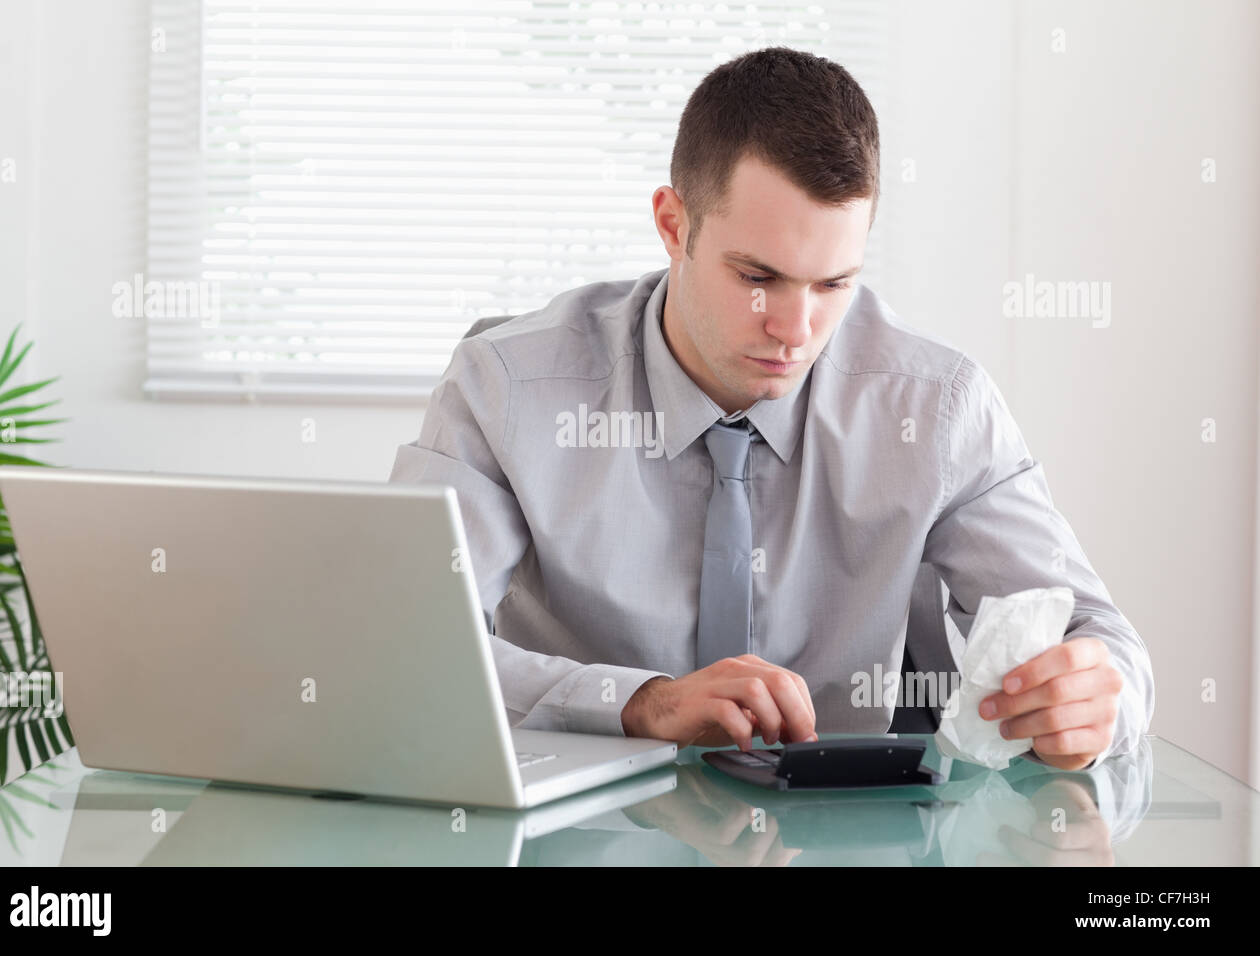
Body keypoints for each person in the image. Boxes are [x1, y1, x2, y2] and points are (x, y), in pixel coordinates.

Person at [390, 46, 1154, 772]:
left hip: (837, 838)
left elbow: (1106, 643)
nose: (796, 332)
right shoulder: (510, 388)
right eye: (758, 276)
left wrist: (1095, 704)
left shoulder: (937, 408)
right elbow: (405, 640)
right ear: (672, 224)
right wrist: (642, 705)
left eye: (833, 285)